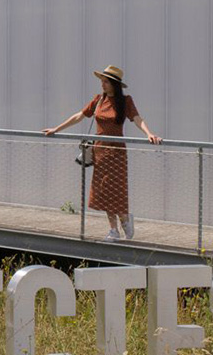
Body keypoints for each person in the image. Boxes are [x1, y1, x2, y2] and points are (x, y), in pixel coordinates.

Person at [44, 64, 160, 241]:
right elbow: (79, 115)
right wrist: (56, 129)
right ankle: (113, 229)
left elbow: (137, 119)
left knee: (116, 189)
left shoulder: (125, 101)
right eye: (102, 81)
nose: (102, 84)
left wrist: (149, 133)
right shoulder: (99, 100)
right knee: (104, 190)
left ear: (114, 84)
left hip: (116, 151)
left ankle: (124, 218)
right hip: (100, 150)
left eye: (106, 82)